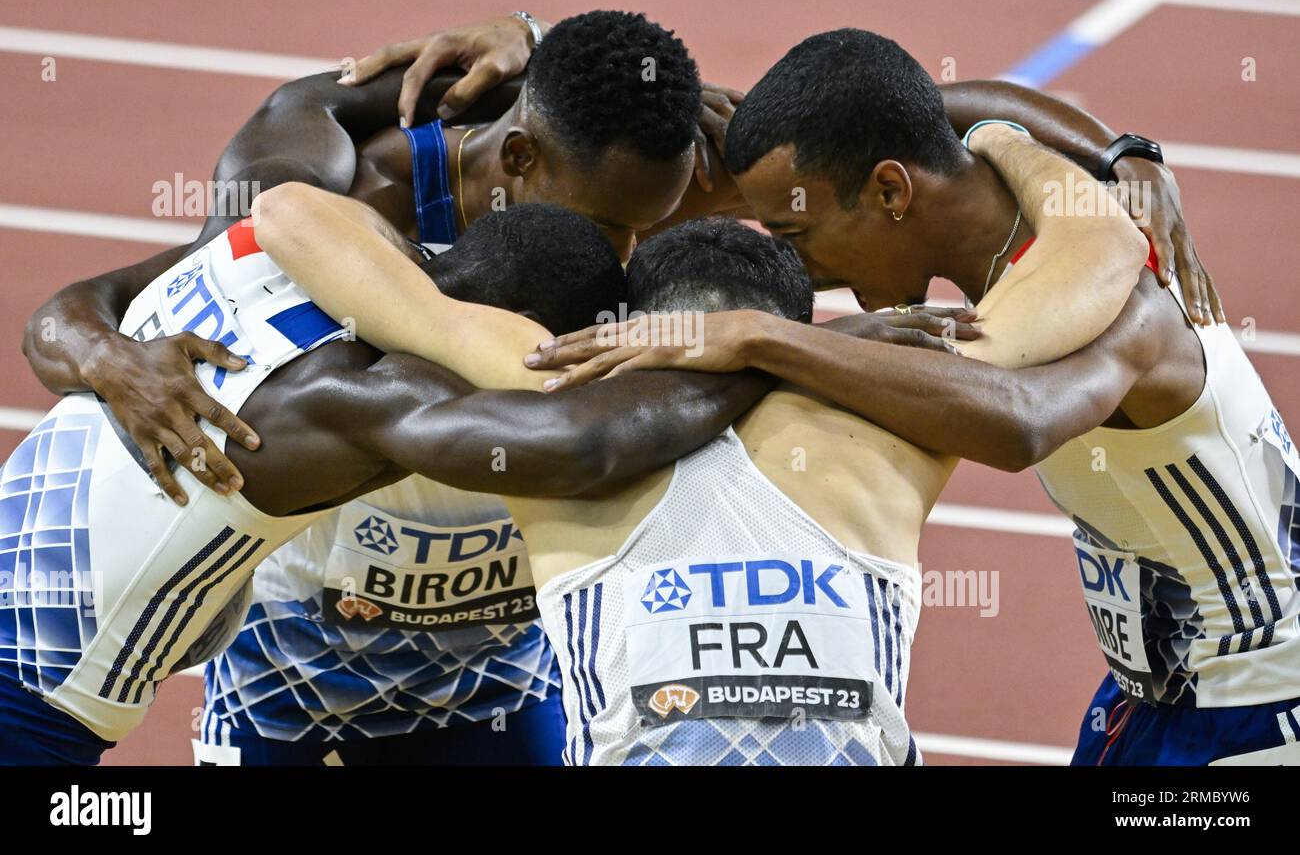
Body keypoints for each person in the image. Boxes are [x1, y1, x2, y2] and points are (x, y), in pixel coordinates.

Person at [241, 112, 1147, 764]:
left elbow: (288, 210)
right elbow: (1099, 246)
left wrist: (446, 267)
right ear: (789, 318)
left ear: (631, 326)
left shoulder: (550, 407)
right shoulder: (897, 414)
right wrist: (1000, 139)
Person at [527, 29, 1299, 766]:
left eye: (796, 234)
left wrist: (758, 336)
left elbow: (1019, 423)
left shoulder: (1120, 296)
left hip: (1262, 691)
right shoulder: (1015, 240)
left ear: (892, 189)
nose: (798, 271)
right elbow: (919, 109)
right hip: (1161, 689)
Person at [0, 200, 792, 765]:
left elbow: (69, 312)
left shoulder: (260, 253)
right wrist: (766, 353)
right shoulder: (359, 397)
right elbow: (582, 444)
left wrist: (102, 354)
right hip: (32, 699)